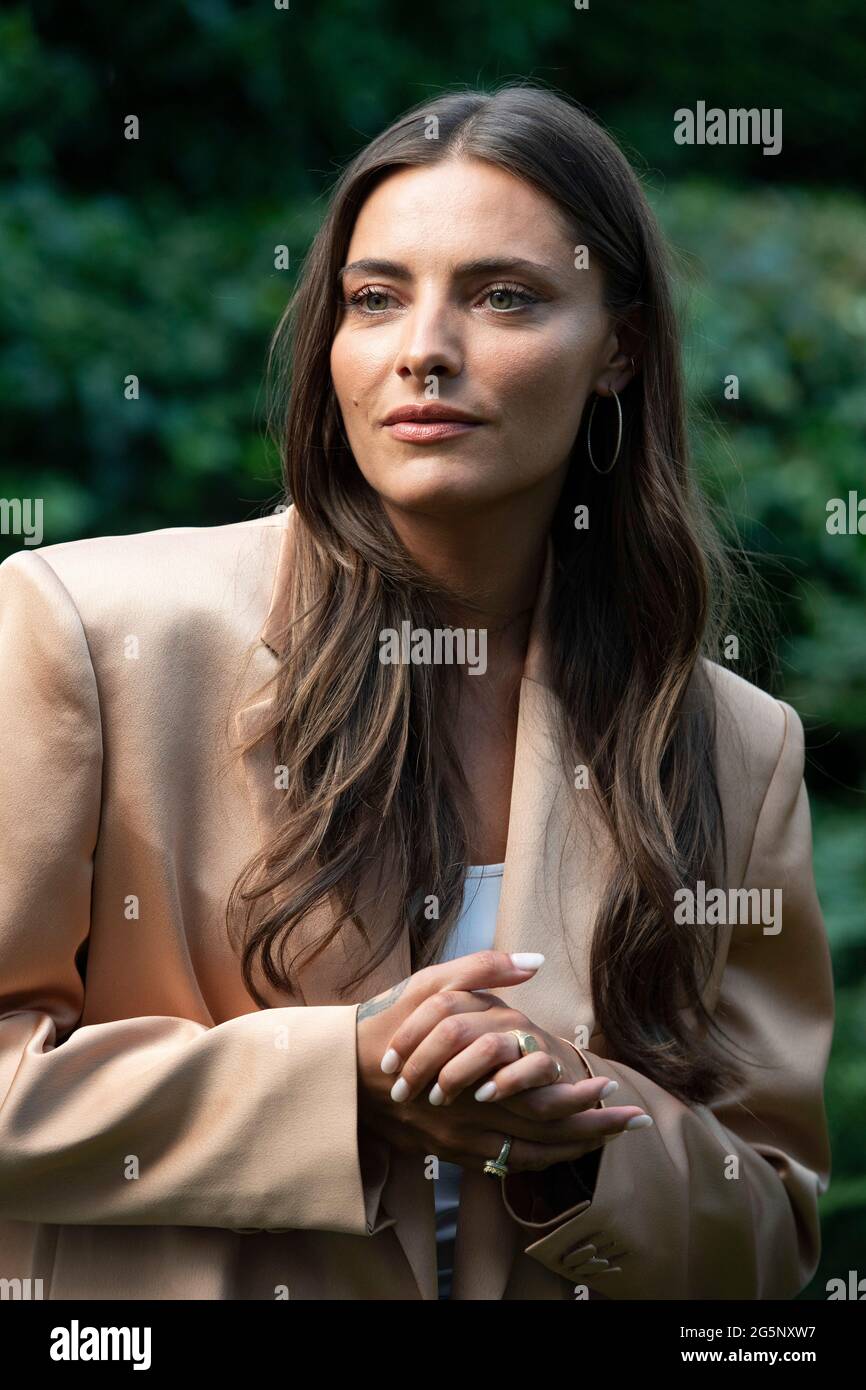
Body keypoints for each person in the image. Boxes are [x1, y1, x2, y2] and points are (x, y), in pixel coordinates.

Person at [0, 84, 833, 1301]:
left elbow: (766, 1227)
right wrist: (338, 1077)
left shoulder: (733, 742)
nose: (421, 349)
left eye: (503, 296)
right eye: (375, 297)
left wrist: (578, 1150)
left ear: (620, 347)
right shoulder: (87, 630)